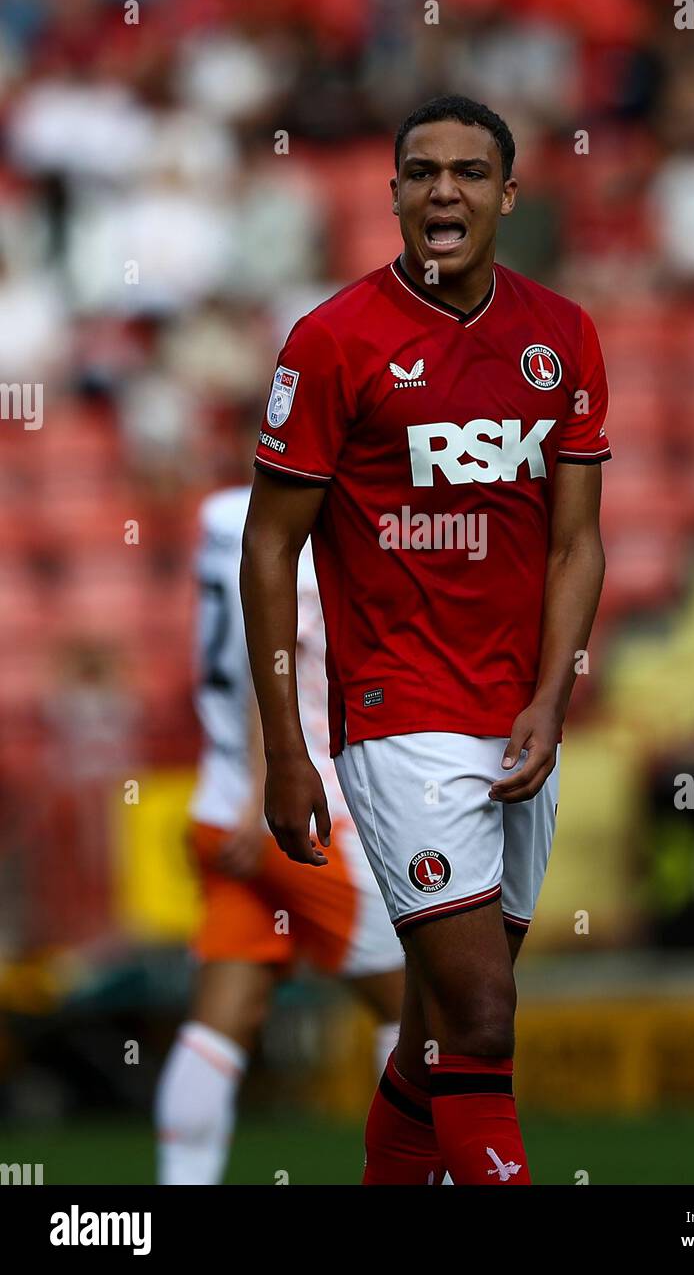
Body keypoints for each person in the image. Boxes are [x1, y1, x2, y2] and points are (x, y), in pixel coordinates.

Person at [241, 94, 611, 1186]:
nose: (440, 190)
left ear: (506, 192)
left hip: (516, 728)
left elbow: (575, 545)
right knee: (486, 1017)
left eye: (464, 171)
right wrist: (286, 749)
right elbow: (270, 551)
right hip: (398, 715)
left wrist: (550, 700)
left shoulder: (563, 335)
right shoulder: (331, 342)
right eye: (418, 172)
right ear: (392, 193)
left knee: (435, 1034)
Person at [155, 485, 404, 1185]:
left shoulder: (219, 520)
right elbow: (273, 665)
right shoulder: (289, 528)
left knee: (221, 1019)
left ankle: (182, 1179)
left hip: (218, 803)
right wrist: (269, 787)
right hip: (295, 814)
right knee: (425, 1006)